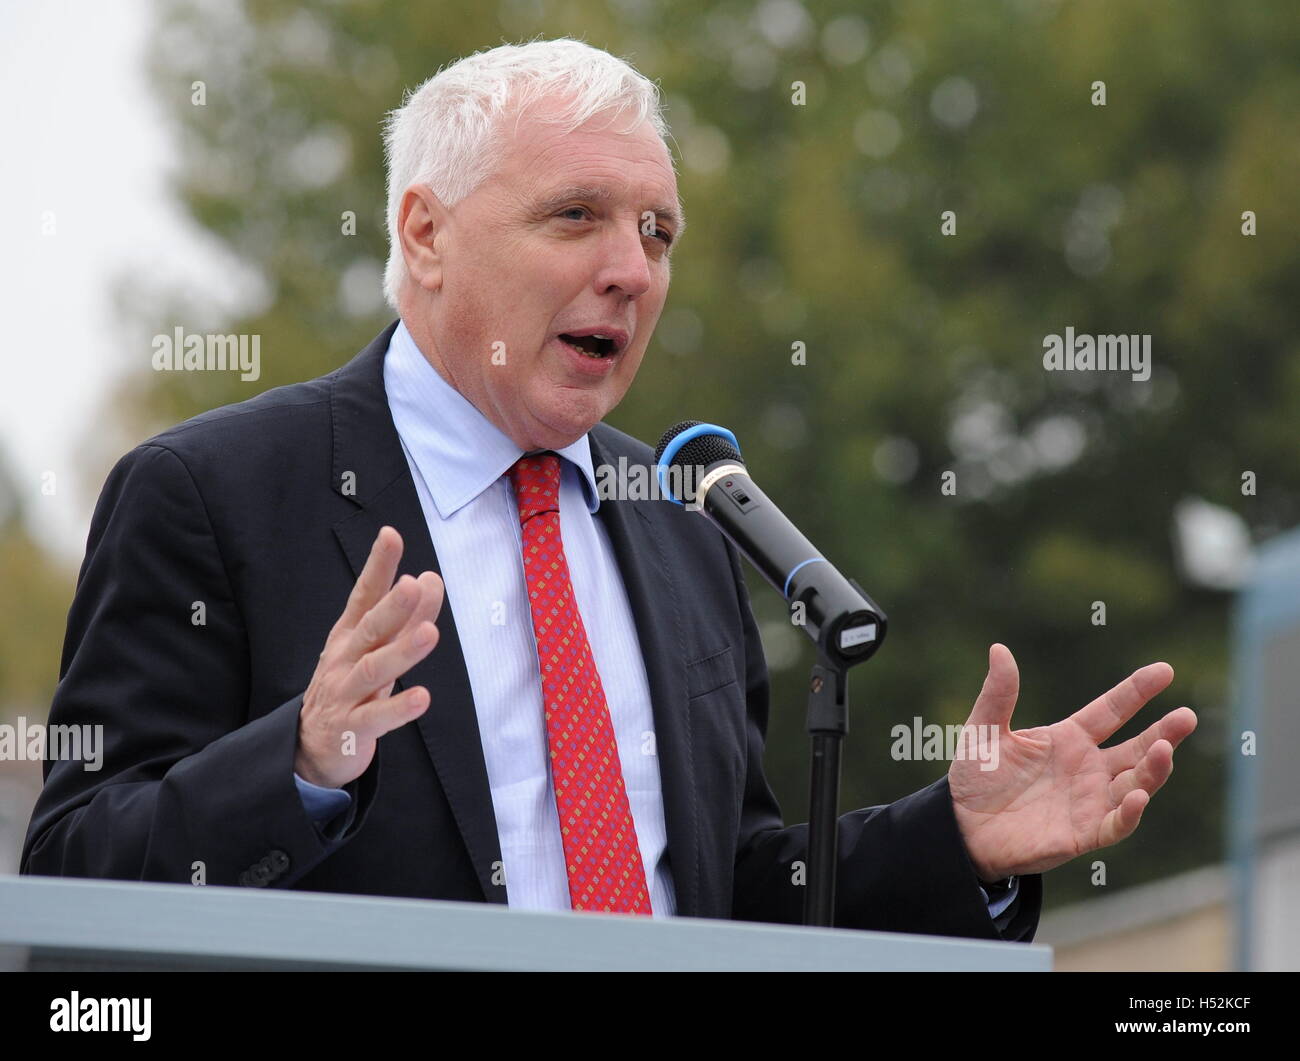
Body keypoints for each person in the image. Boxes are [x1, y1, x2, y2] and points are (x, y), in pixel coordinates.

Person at [21, 39, 1195, 941]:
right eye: (575, 215)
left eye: (658, 231)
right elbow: (74, 883)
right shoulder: (210, 493)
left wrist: (956, 841)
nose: (630, 270)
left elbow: (722, 891)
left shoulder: (679, 517)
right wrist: (299, 762)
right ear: (423, 233)